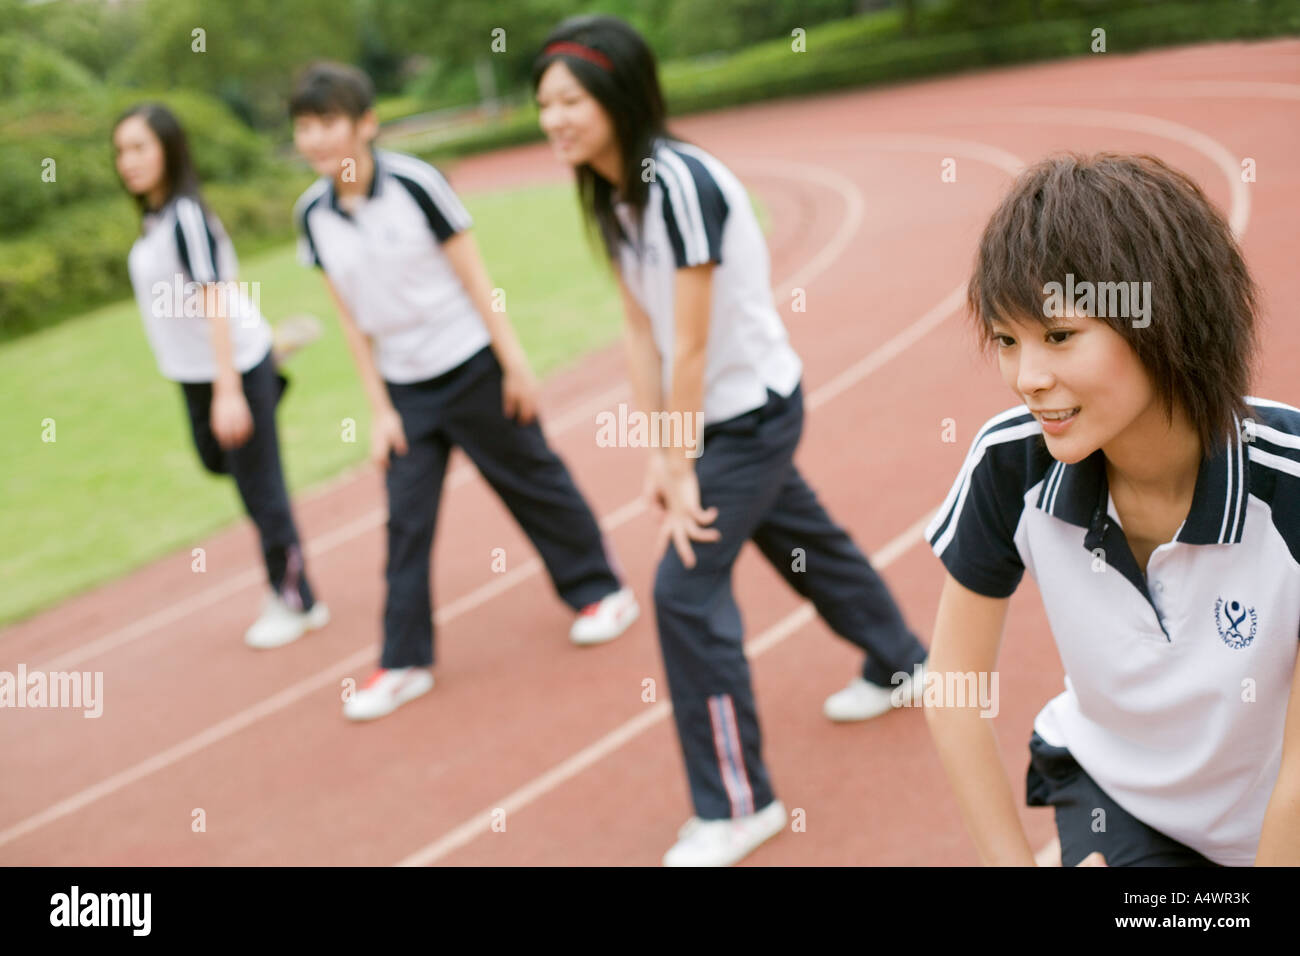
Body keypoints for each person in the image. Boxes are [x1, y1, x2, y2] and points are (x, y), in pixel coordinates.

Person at [532, 16, 929, 867]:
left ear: (616, 93)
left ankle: (739, 805)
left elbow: (696, 340)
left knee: (681, 592)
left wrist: (678, 461)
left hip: (748, 416)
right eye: (543, 104)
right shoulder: (611, 191)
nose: (553, 118)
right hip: (715, 422)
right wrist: (657, 451)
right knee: (801, 539)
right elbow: (641, 331)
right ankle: (901, 659)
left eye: (569, 99)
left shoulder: (675, 181)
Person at [924, 152, 1300, 867]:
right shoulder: (1011, 463)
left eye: (1059, 336)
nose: (1027, 379)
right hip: (1119, 799)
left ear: (1165, 319)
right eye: (1007, 341)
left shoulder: (1291, 484)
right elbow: (952, 689)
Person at [290, 62, 639, 722]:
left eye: (328, 122)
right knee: (406, 521)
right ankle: (403, 661)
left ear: (366, 125)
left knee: (533, 480)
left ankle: (602, 590)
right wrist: (379, 409)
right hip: (406, 389)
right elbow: (348, 317)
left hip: (471, 365)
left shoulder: (417, 185)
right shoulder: (312, 215)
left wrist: (514, 365)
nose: (315, 139)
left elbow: (479, 280)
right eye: (304, 127)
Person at [113, 102, 328, 650]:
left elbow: (214, 297)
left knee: (260, 486)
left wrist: (230, 388)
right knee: (217, 461)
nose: (128, 161)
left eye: (140, 147)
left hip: (226, 367)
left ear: (169, 149)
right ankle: (270, 364)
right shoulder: (155, 218)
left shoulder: (186, 216)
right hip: (192, 373)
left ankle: (296, 598)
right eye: (121, 151)